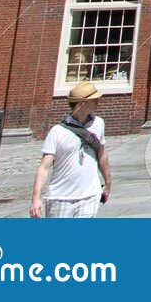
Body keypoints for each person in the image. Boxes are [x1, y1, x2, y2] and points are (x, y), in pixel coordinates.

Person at [33, 80, 112, 217]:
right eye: (94, 100)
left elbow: (102, 153)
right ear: (82, 103)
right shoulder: (57, 132)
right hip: (61, 197)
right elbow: (43, 167)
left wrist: (108, 181)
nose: (98, 102)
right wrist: (35, 199)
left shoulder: (98, 124)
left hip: (90, 195)